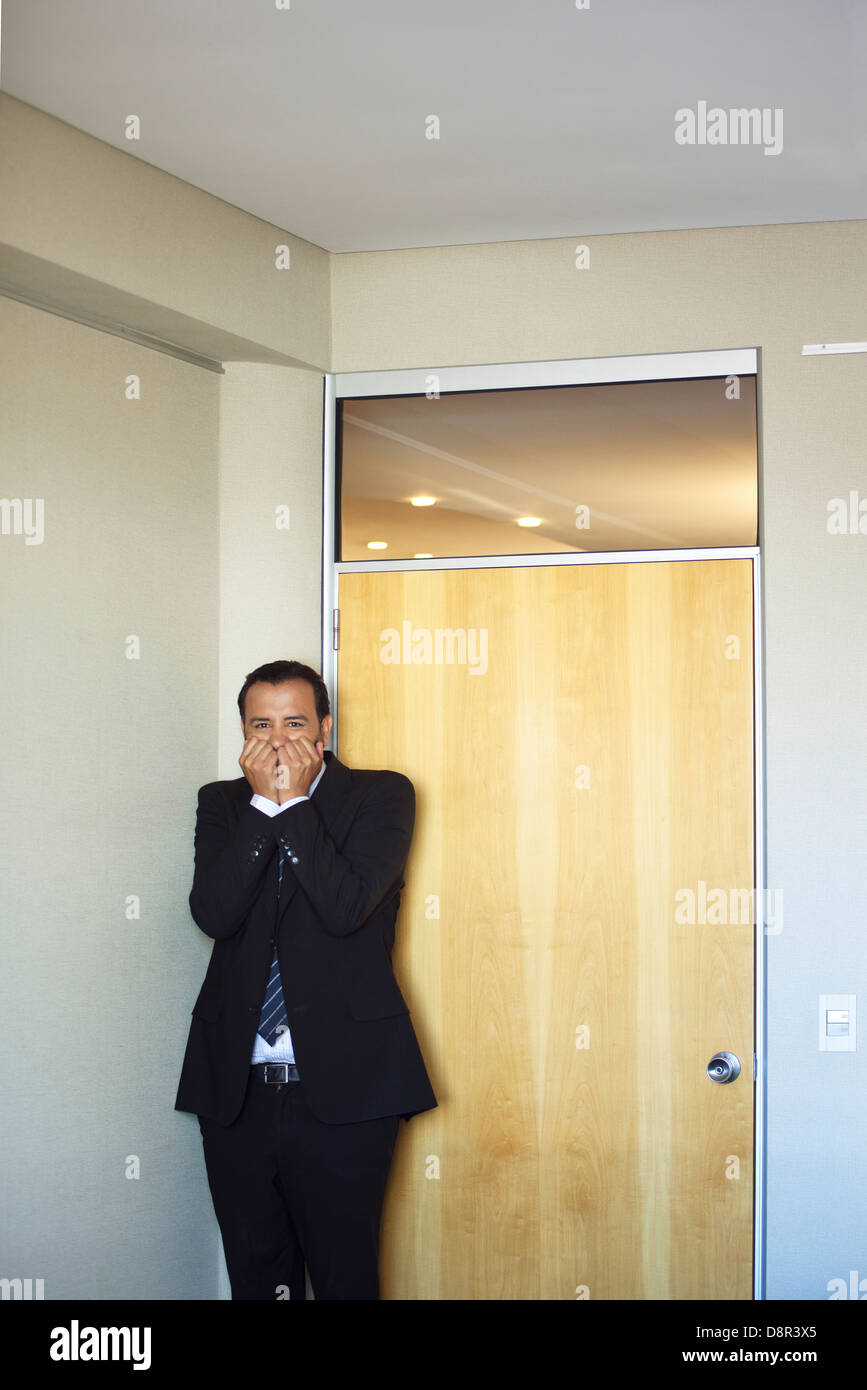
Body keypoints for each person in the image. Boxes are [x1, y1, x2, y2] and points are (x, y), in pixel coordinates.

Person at [175, 658, 437, 1300]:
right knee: (257, 1279)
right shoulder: (222, 804)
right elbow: (214, 913)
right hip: (235, 1089)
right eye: (260, 726)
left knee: (346, 1278)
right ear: (242, 733)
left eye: (295, 723)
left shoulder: (381, 795)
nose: (278, 741)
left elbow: (345, 906)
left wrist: (291, 804)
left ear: (324, 728)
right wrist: (262, 806)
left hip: (349, 1090)